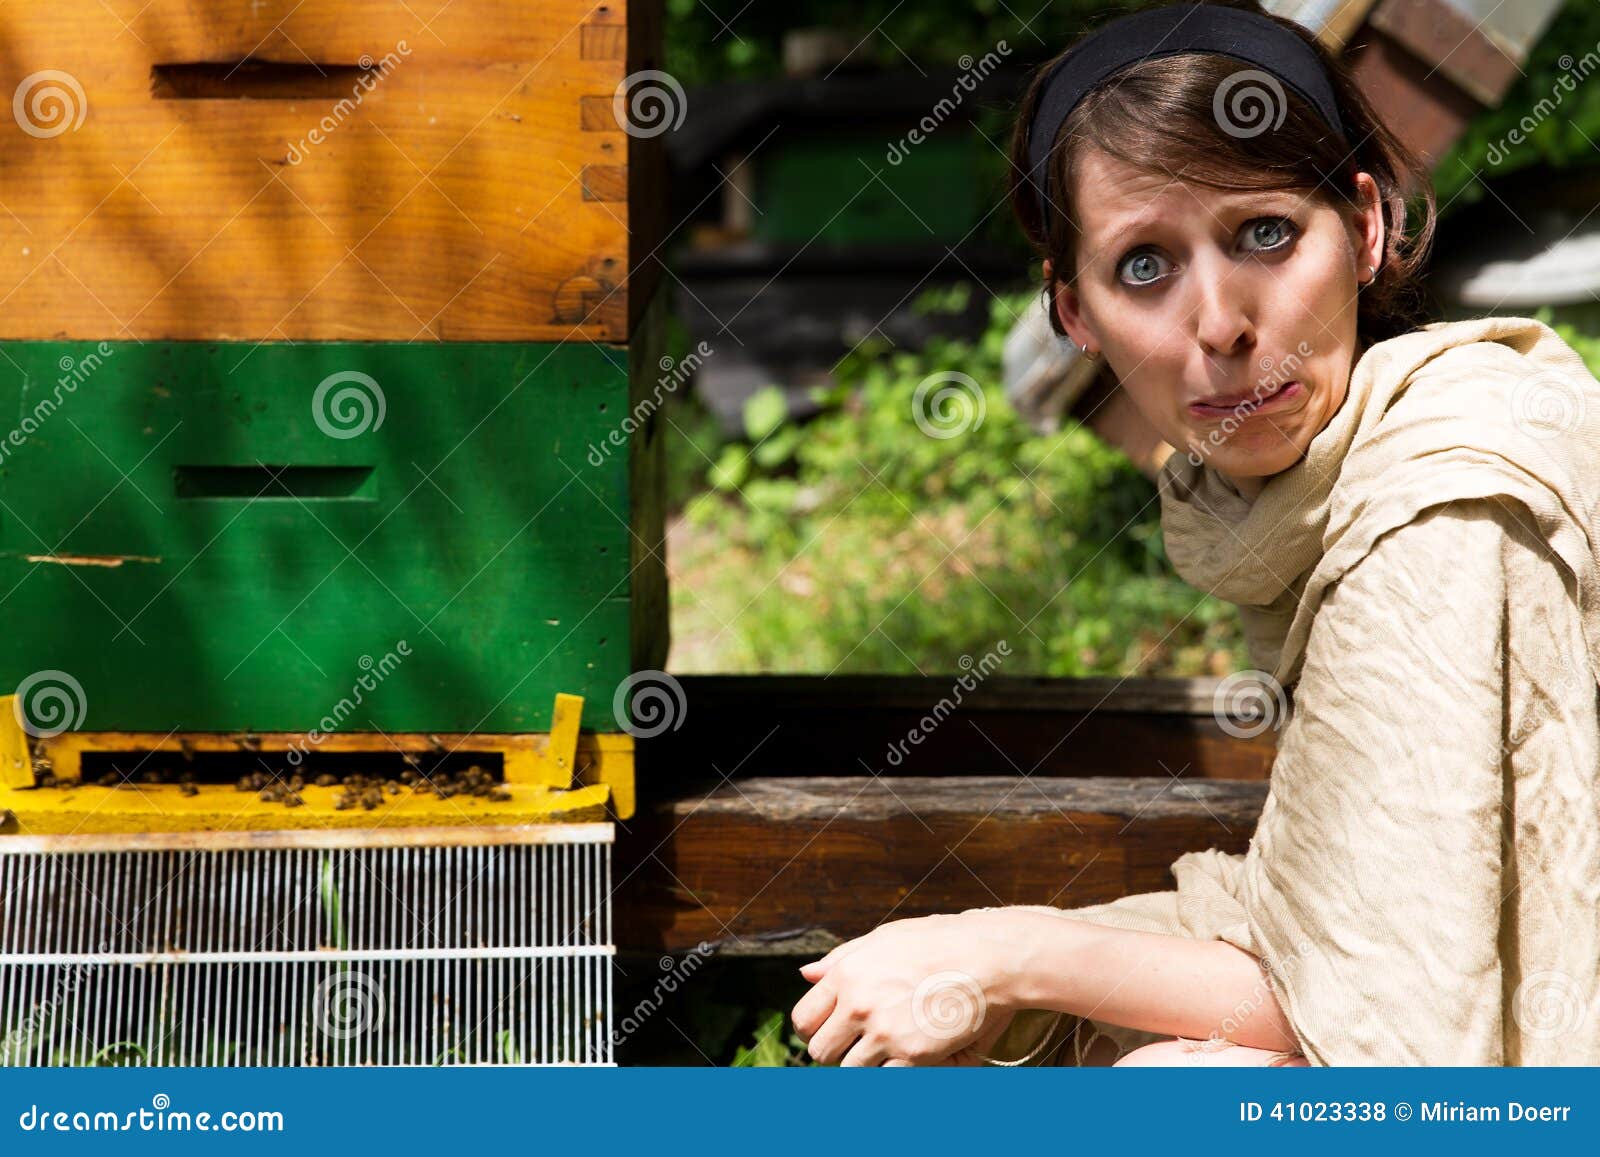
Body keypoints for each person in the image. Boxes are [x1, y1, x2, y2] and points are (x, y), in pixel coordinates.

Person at [790, 0, 1600, 1067]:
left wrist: (1006, 950)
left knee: (1182, 1077)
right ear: (1073, 314)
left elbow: (1396, 1025)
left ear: (1365, 226)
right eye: (1142, 267)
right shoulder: (1336, 471)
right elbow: (1344, 914)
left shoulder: (1438, 511)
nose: (1219, 323)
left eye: (1264, 233)